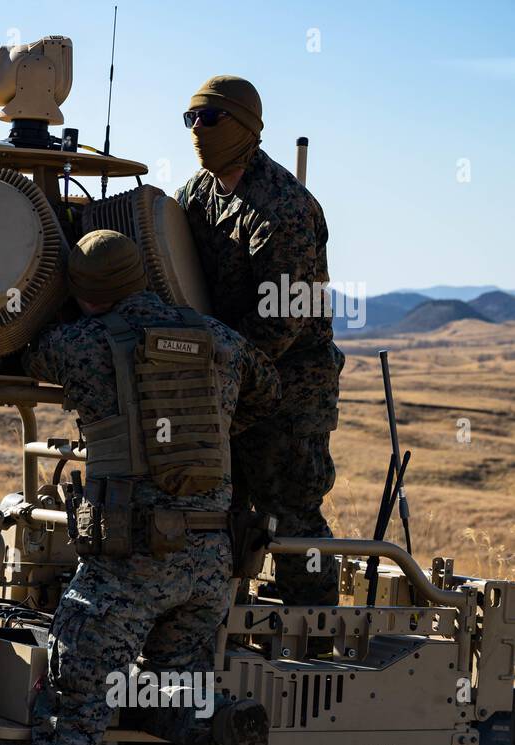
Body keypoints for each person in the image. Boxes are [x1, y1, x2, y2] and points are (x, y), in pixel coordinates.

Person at [0, 230, 280, 745]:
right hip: (212, 560)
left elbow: (27, 353)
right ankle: (221, 719)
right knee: (163, 692)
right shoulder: (217, 339)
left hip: (128, 565)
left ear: (84, 292)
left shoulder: (79, 345)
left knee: (71, 707)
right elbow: (267, 387)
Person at [176, 75, 345, 606]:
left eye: (211, 118)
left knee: (289, 512)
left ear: (247, 128)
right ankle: (222, 629)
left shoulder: (285, 209)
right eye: (191, 119)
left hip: (288, 386)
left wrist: (211, 365)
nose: (199, 130)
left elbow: (281, 323)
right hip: (226, 378)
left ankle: (314, 644)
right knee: (215, 511)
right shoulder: (197, 194)